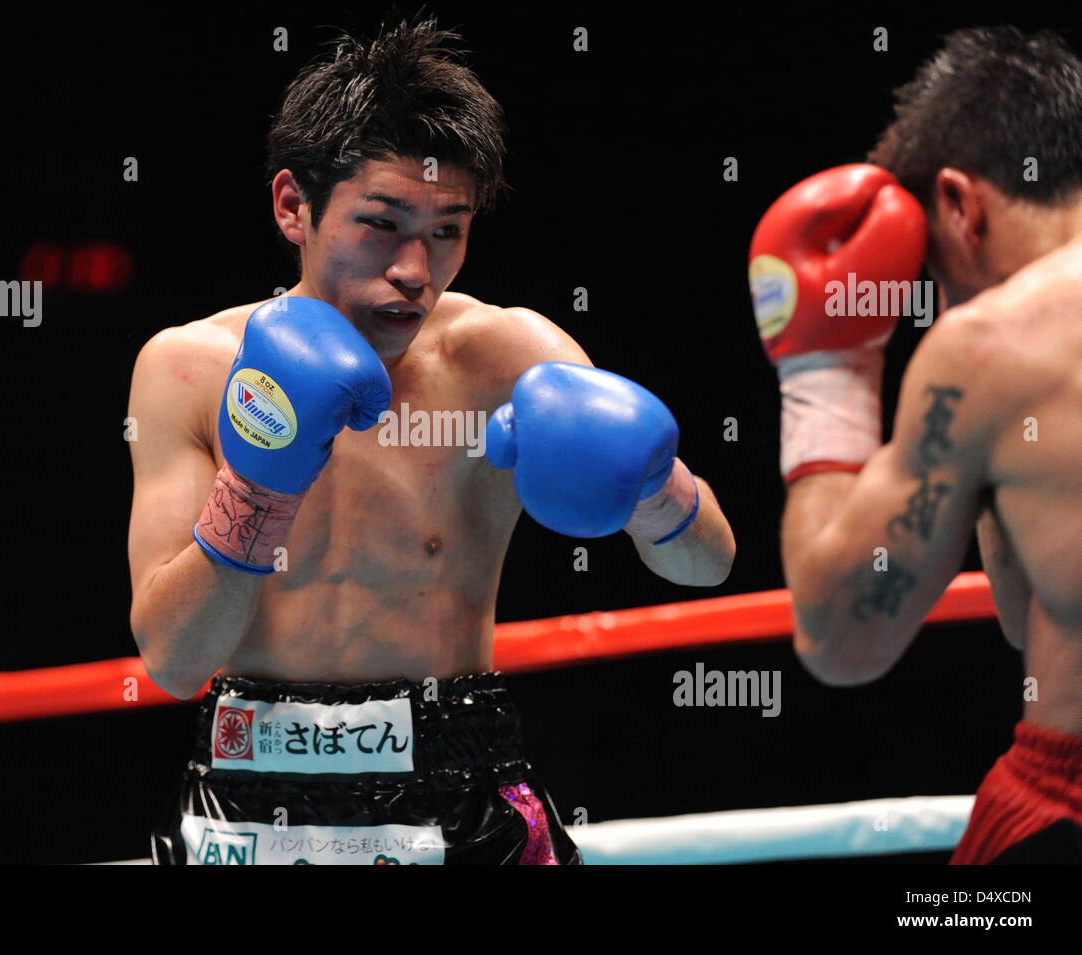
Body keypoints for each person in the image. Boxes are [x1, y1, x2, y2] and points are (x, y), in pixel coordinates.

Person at [126, 15, 735, 865]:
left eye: (448, 229)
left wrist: (652, 486)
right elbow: (171, 659)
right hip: (244, 789)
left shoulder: (509, 358)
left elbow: (707, 564)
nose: (415, 267)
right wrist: (258, 488)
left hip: (460, 783)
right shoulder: (189, 370)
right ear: (292, 205)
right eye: (382, 224)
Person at [750, 26, 1082, 864]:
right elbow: (1026, 610)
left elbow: (841, 637)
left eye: (930, 272)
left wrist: (829, 369)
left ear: (960, 204)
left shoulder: (995, 346)